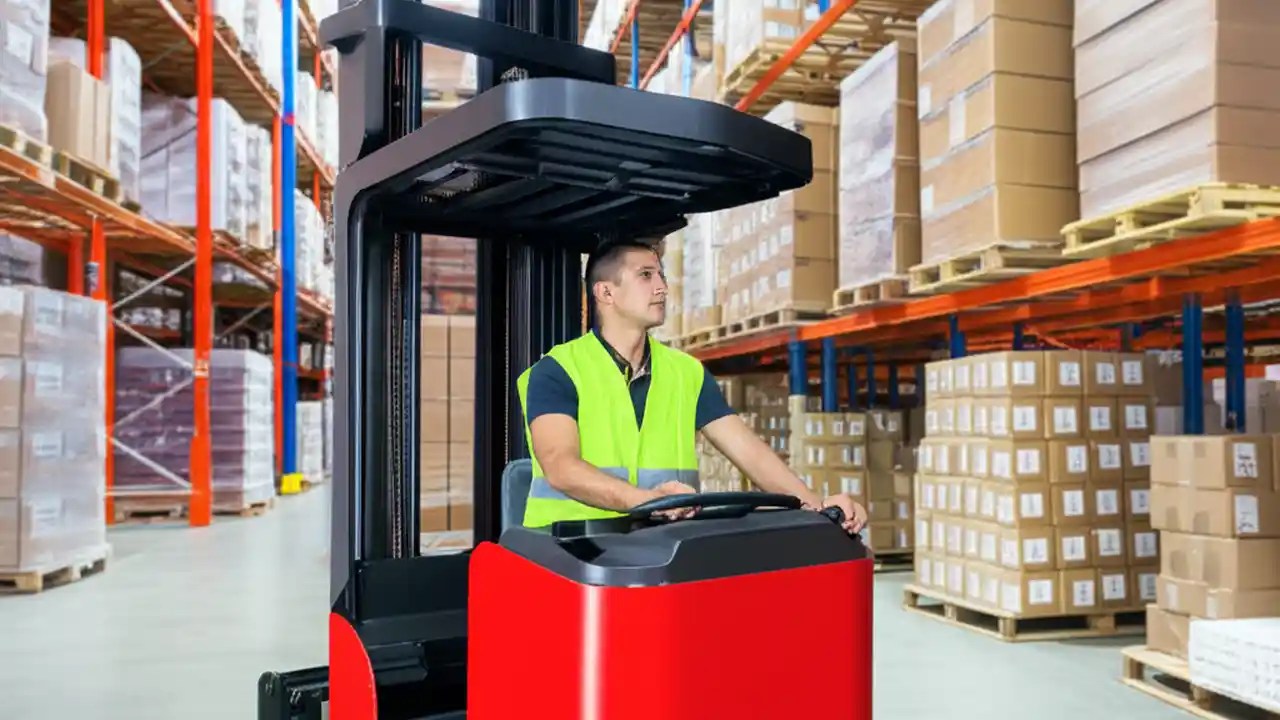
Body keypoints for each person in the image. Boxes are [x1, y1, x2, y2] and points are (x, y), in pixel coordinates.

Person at [515, 238, 868, 533]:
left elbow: (749, 452)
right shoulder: (558, 371)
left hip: (661, 549)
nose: (662, 288)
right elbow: (560, 466)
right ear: (606, 292)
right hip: (566, 554)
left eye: (662, 276)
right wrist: (649, 502)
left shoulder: (686, 373)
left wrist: (818, 506)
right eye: (645, 275)